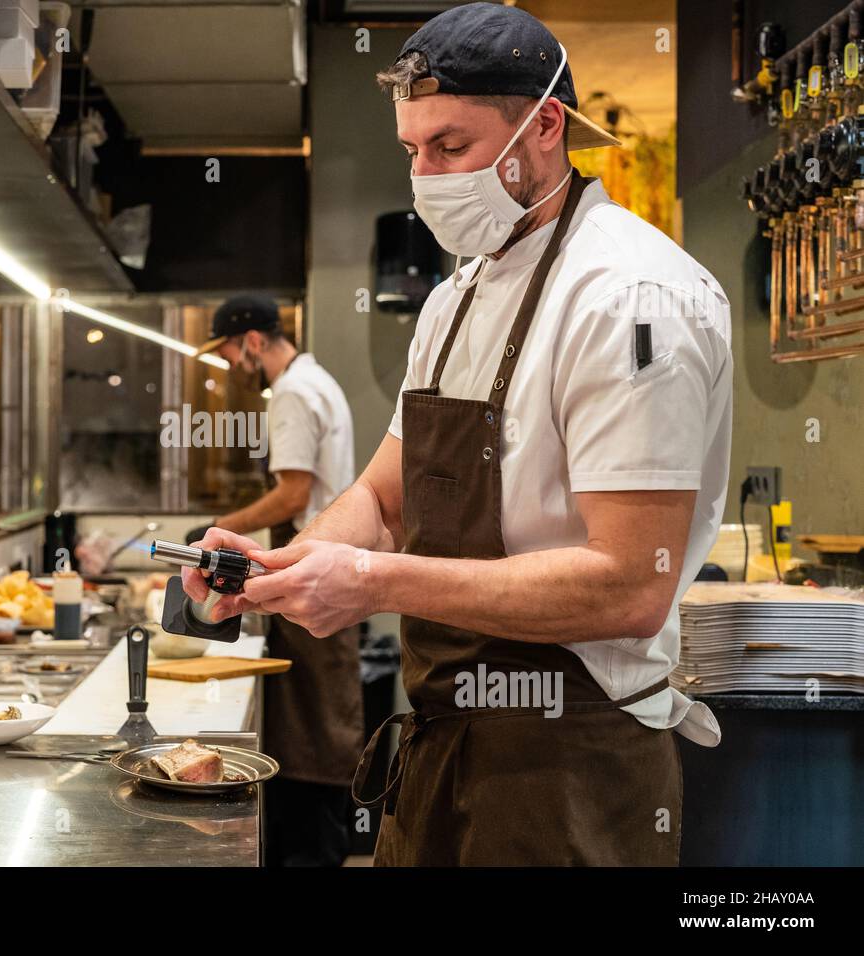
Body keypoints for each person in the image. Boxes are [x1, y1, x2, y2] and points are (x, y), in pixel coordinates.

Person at [185, 3, 731, 866]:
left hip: (569, 765)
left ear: (545, 126)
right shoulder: (454, 299)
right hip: (441, 746)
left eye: (452, 147)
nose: (426, 176)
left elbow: (631, 585)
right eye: (412, 151)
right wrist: (278, 571)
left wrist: (370, 581)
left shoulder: (631, 297)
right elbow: (380, 497)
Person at [192, 293, 364, 867]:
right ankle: (321, 846)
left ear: (255, 342)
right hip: (326, 565)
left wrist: (221, 529)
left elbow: (293, 494)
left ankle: (310, 854)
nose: (233, 366)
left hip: (308, 569)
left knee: (310, 733)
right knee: (322, 726)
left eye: (232, 353)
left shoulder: (290, 392)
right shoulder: (321, 381)